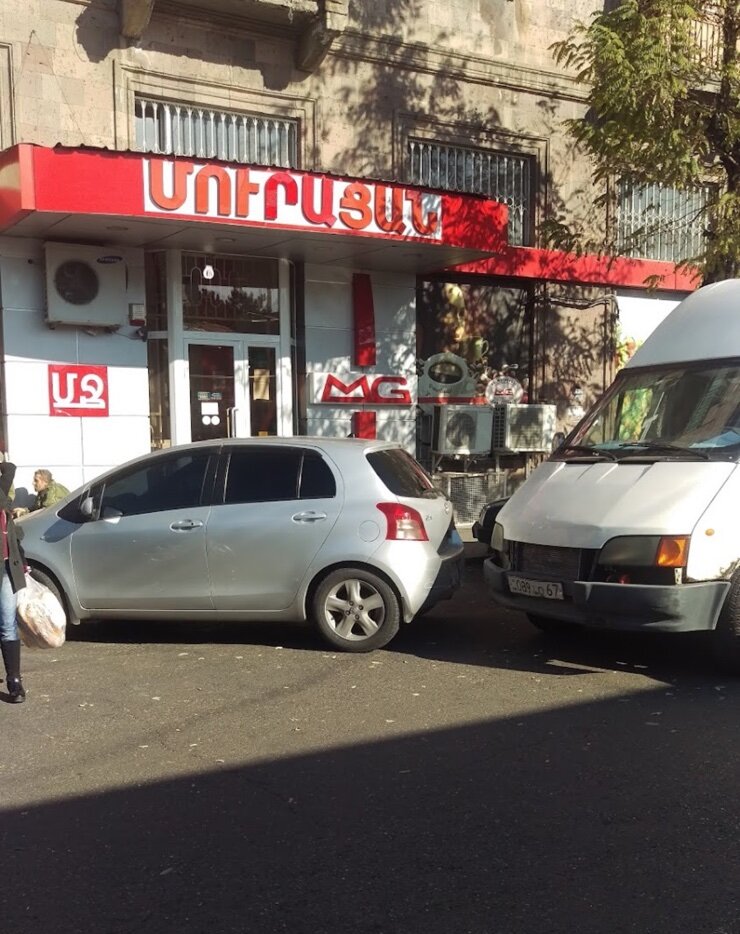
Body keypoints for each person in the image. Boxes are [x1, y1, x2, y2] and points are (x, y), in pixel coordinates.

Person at [0, 459, 27, 703]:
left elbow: (9, 468)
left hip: (8, 568)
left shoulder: (3, 501)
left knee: (8, 624)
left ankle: (14, 681)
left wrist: (23, 561)